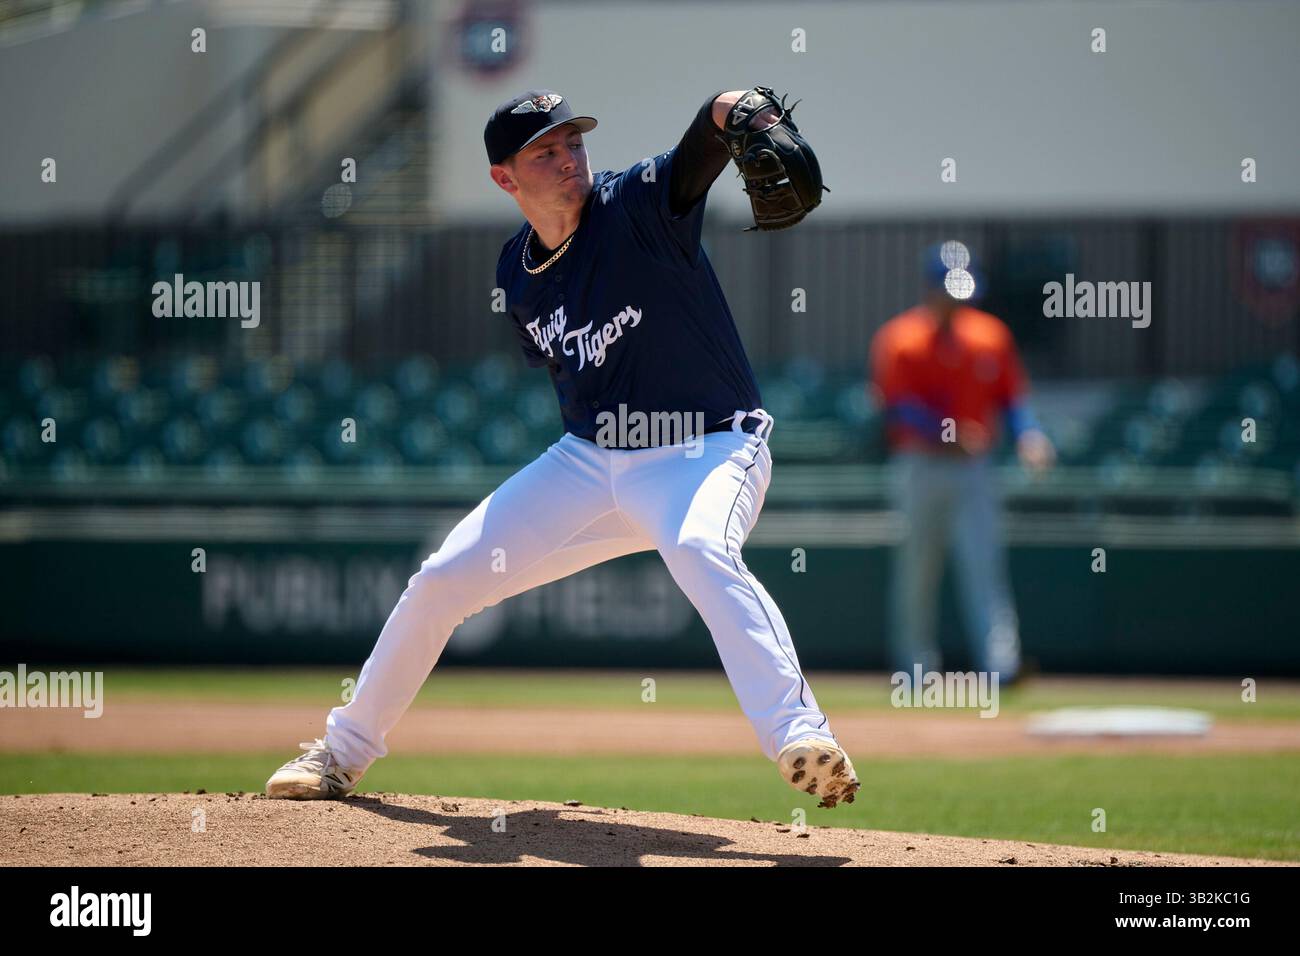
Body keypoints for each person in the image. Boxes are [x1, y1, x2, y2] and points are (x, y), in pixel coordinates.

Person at [265, 88, 859, 809]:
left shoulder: (639, 203)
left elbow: (705, 137)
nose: (568, 158)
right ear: (504, 178)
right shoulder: (516, 274)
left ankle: (802, 734)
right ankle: (340, 753)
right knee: (441, 582)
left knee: (701, 548)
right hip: (590, 459)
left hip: (705, 447)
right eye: (544, 151)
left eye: (573, 142)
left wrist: (739, 109)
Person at [869, 241, 1054, 685]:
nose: (955, 299)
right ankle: (914, 669)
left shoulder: (990, 334)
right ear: (930, 288)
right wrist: (945, 432)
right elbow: (894, 406)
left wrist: (1029, 434)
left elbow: (1011, 398)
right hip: (921, 464)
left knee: (984, 564)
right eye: (947, 289)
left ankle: (1001, 667)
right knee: (919, 568)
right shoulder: (900, 337)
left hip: (975, 467)